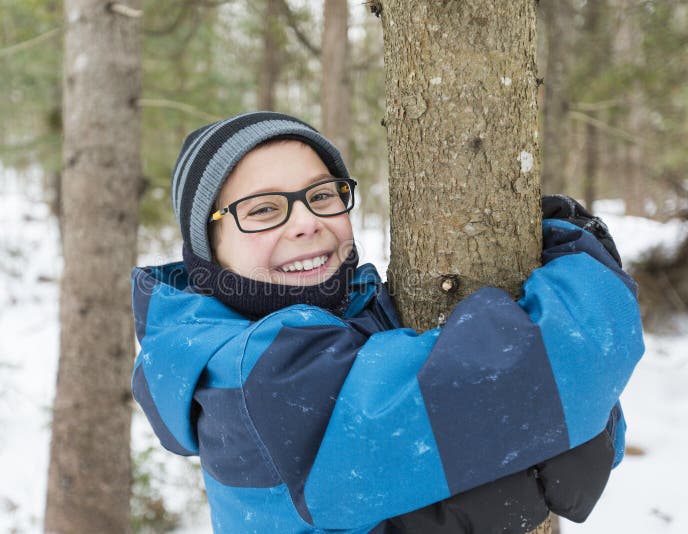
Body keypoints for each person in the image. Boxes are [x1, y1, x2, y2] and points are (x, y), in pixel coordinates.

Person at [131, 111, 644, 533]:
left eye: (322, 195)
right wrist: (575, 245)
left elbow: (571, 409)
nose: (307, 222)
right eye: (263, 210)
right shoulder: (252, 378)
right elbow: (576, 357)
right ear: (208, 247)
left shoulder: (353, 311)